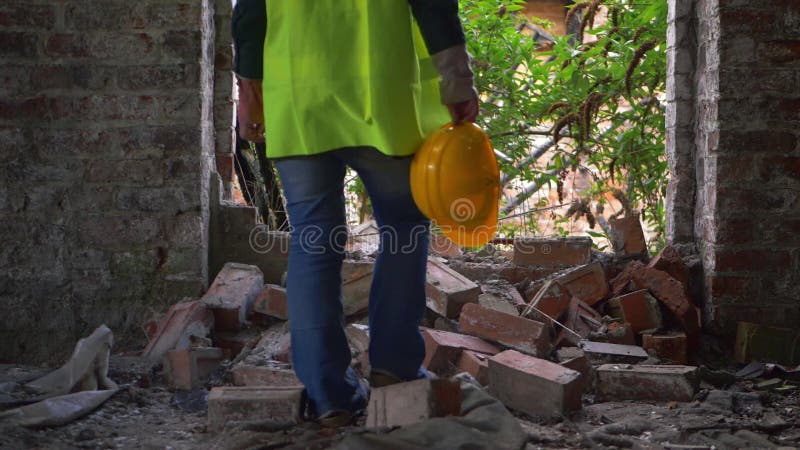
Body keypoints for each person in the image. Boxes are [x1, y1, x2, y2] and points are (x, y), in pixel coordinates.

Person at [232, 0, 479, 427]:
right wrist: (457, 80)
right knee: (404, 227)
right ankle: (394, 369)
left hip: (297, 90)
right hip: (383, 92)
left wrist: (250, 89)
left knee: (314, 239)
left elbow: (251, 8)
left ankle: (330, 398)